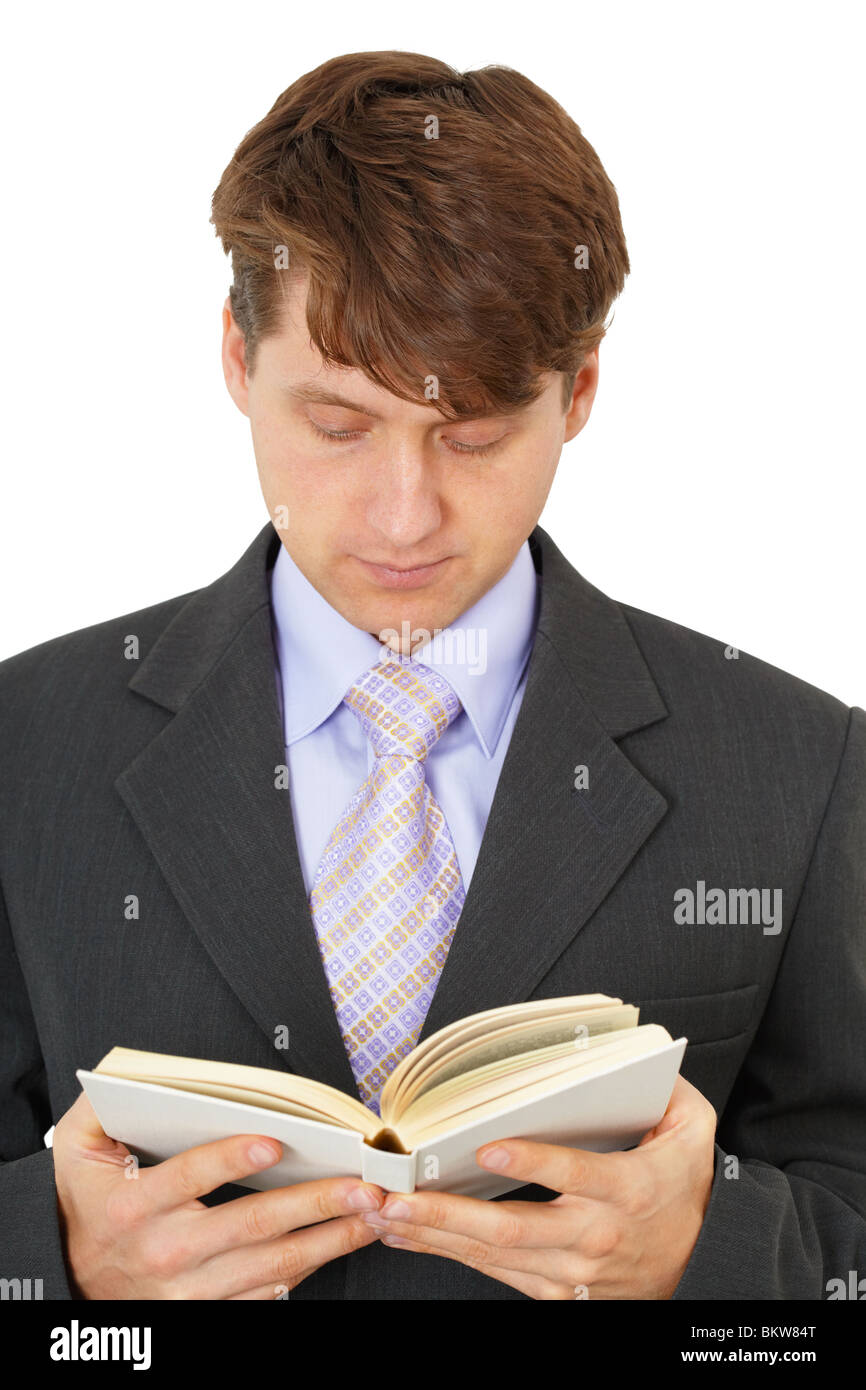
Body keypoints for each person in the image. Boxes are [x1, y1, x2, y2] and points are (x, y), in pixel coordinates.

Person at [1, 50, 863, 1302]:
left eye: (471, 434)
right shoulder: (26, 747)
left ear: (578, 393)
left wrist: (710, 1254)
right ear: (237, 361)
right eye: (338, 426)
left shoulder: (799, 767)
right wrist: (58, 1259)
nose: (403, 517)